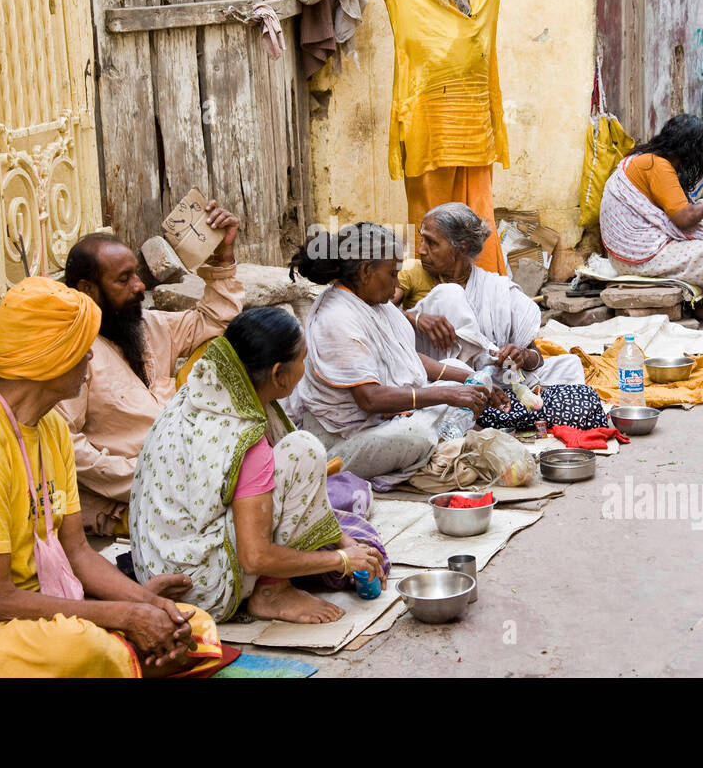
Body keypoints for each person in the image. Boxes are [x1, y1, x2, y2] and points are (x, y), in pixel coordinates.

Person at [0, 276, 224, 677]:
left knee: (194, 623)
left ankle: (134, 661)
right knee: (86, 649)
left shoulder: (51, 429)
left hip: (33, 608)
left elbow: (78, 553)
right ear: (51, 359)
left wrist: (145, 607)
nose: (90, 362)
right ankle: (131, 661)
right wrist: (122, 616)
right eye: (83, 351)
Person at [130, 307, 387, 625]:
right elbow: (254, 556)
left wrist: (343, 540)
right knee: (302, 452)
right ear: (279, 374)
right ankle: (272, 593)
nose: (305, 367)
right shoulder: (246, 436)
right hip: (200, 589)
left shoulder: (201, 393)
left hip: (156, 575)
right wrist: (341, 559)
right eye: (303, 360)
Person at [341, 0, 532, 276]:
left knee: (478, 225)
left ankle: (487, 300)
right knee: (433, 229)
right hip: (426, 129)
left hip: (475, 129)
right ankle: (434, 302)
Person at [55, 202, 242, 537]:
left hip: (188, 473)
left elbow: (215, 320)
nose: (139, 286)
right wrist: (145, 474)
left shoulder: (149, 326)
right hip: (134, 498)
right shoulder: (71, 357)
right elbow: (65, 444)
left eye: (136, 275)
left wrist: (222, 258)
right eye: (123, 279)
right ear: (87, 290)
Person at [285, 222, 510, 485]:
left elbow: (408, 359)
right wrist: (446, 394)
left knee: (462, 372)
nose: (396, 285)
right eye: (392, 274)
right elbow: (369, 399)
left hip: (391, 417)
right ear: (366, 270)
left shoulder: (375, 303)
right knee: (416, 436)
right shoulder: (336, 318)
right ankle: (442, 432)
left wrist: (469, 379)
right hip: (346, 440)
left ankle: (445, 425)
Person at [395, 202, 589, 391]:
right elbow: (375, 316)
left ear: (461, 248)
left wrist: (522, 355)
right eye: (423, 239)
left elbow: (535, 358)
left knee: (569, 365)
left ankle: (501, 394)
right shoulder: (412, 273)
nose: (421, 250)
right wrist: (413, 317)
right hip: (444, 375)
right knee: (449, 295)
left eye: (432, 243)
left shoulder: (496, 289)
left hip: (497, 375)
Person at [600, 115, 703, 322]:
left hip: (630, 254)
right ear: (691, 150)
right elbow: (683, 218)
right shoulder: (655, 165)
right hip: (640, 257)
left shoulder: (647, 160)